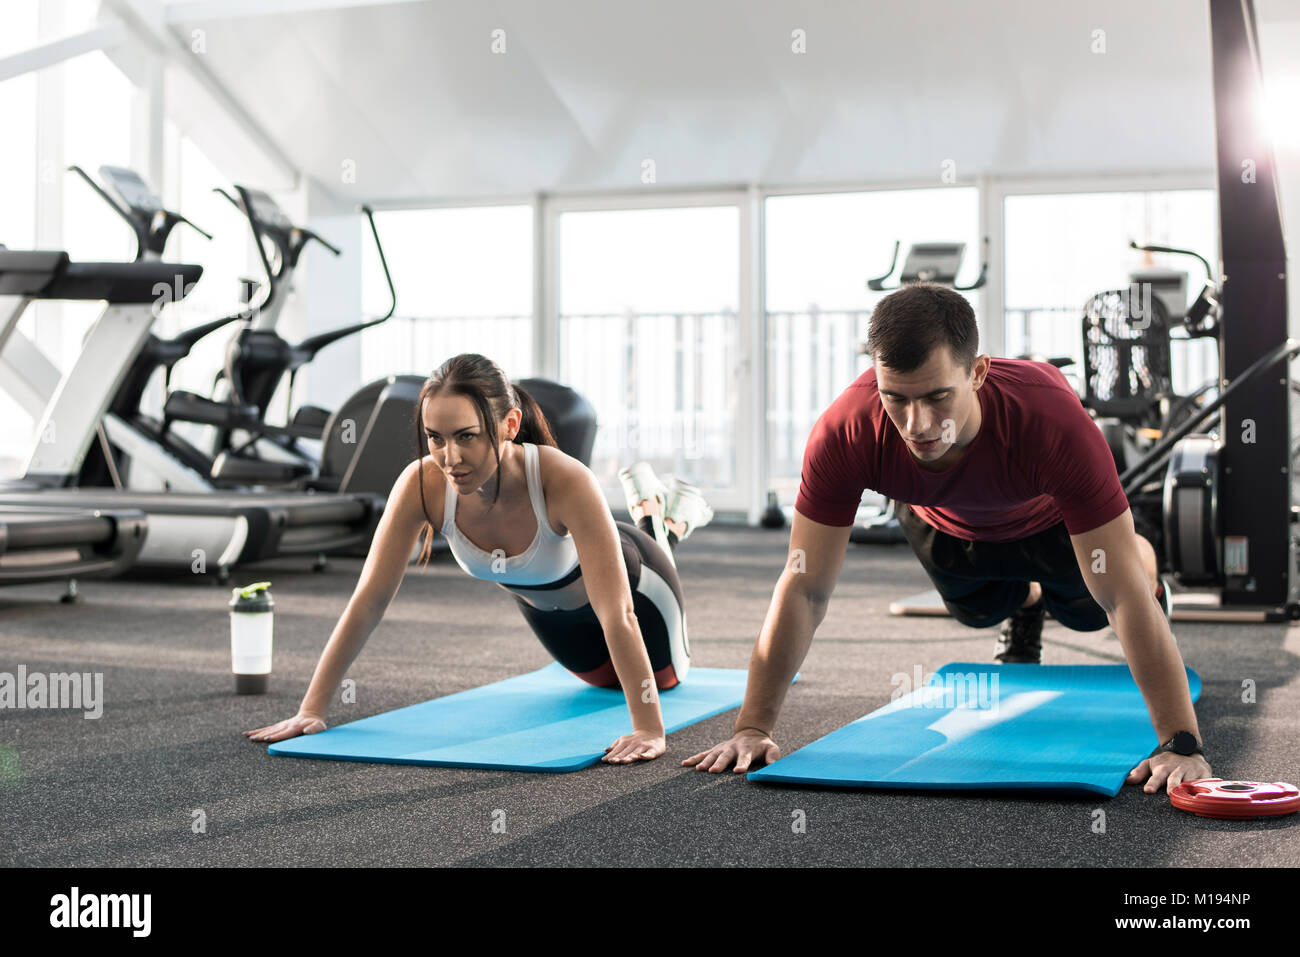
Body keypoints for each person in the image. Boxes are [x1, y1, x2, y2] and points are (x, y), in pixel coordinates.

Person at [684, 282, 1211, 795]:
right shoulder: (844, 432)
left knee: (1095, 609)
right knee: (979, 612)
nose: (917, 424)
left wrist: (1180, 742)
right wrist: (753, 727)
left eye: (938, 397)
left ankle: (1142, 558)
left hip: (1050, 526)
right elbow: (804, 588)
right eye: (897, 399)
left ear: (978, 372)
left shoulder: (1051, 419)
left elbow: (1120, 597)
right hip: (945, 523)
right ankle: (1025, 600)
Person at [245, 353, 713, 764]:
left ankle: (660, 521)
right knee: (599, 685)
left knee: (668, 681)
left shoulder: (563, 479)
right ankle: (660, 512)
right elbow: (369, 598)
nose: (451, 458)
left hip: (639, 593)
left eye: (467, 436)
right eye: (436, 438)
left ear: (508, 425)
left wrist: (650, 728)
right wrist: (312, 709)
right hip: (552, 618)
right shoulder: (421, 485)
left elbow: (619, 613)